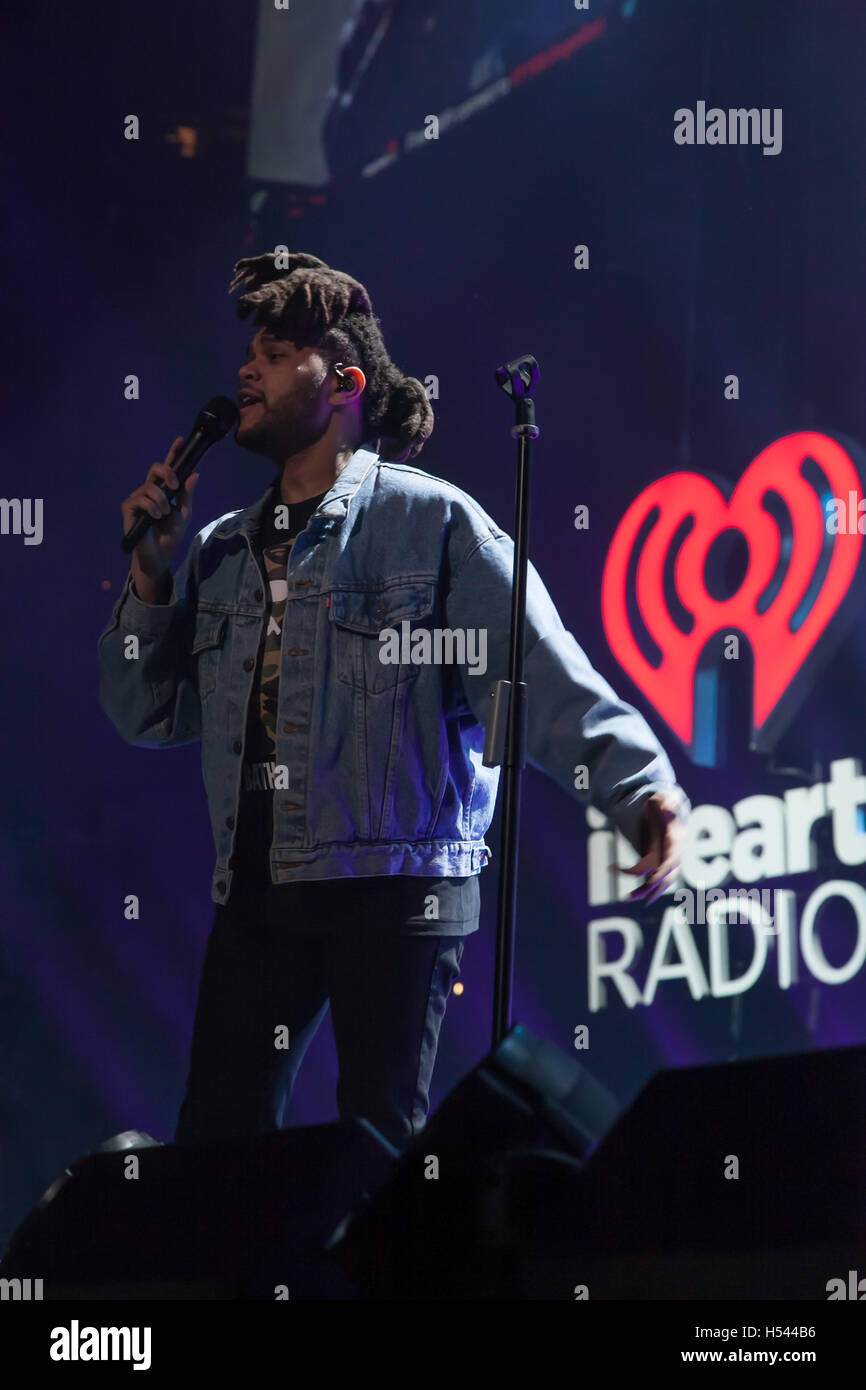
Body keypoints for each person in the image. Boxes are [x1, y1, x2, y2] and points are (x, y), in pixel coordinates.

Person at [97, 250, 689, 1151]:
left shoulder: (432, 521)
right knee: (215, 1148)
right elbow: (144, 713)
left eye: (273, 349)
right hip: (258, 891)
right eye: (245, 352)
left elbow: (537, 669)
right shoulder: (217, 549)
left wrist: (639, 788)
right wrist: (150, 572)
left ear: (343, 382)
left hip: (397, 883)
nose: (245, 368)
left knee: (374, 1145)